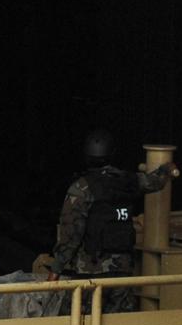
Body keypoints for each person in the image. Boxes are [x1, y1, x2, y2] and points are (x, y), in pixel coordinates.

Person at [48, 128, 172, 313]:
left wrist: (56, 269)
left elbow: (70, 233)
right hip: (121, 273)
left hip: (89, 274)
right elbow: (155, 181)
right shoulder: (128, 181)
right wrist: (167, 168)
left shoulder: (81, 188)